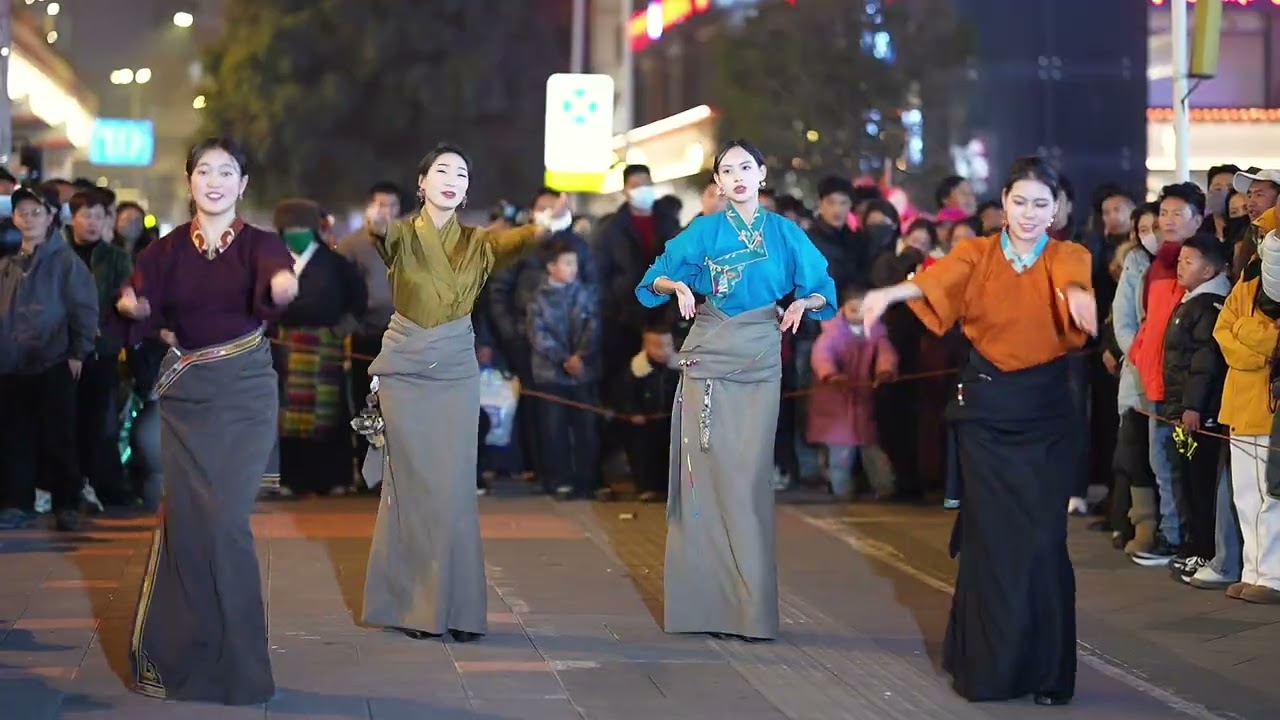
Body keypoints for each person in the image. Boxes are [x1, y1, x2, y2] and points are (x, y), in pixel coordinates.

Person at [861, 156, 1097, 706]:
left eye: (1043, 204)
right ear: (1004, 204)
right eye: (1020, 202)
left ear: (1057, 209)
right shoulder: (977, 253)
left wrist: (1080, 300)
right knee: (990, 544)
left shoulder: (1069, 255)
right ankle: (988, 669)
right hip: (986, 415)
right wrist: (885, 295)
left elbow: (1072, 283)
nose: (1030, 214)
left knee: (1043, 543)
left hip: (1046, 416)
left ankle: (1047, 671)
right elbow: (933, 282)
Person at [358, 143, 570, 643]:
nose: (453, 179)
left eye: (462, 174)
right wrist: (376, 222)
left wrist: (548, 226)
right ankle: (414, 605)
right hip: (407, 374)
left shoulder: (480, 242)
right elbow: (380, 235)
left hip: (455, 371)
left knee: (453, 490)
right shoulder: (403, 236)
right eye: (442, 171)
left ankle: (456, 605)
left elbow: (520, 240)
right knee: (415, 489)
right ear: (422, 183)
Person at [116, 138, 298, 705]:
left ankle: (243, 673)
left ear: (243, 184)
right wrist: (134, 307)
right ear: (189, 180)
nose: (214, 180)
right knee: (191, 528)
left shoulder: (261, 245)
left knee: (226, 525)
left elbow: (278, 277)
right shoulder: (164, 249)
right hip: (186, 399)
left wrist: (283, 287)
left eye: (227, 171)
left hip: (244, 394)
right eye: (203, 170)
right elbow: (137, 296)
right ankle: (184, 663)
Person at [636, 138, 837, 642]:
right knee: (703, 474)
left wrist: (802, 304)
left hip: (759, 357)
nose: (739, 176)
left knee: (747, 481)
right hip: (709, 350)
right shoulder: (704, 231)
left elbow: (822, 288)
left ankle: (749, 611)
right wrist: (678, 286)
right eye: (728, 170)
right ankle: (703, 608)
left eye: (747, 166)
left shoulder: (786, 233)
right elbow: (653, 277)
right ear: (719, 183)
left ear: (762, 174)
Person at [0, 185, 98, 532]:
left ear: (52, 217)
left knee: (60, 437)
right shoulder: (8, 265)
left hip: (54, 359)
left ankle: (66, 504)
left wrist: (77, 352)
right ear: (13, 218)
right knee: (15, 437)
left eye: (36, 212)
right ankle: (17, 503)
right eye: (22, 212)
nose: (28, 219)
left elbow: (84, 310)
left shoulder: (65, 262)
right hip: (12, 364)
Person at [271, 199, 368, 497]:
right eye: (288, 228)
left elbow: (358, 300)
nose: (294, 233)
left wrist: (341, 330)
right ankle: (293, 479)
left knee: (330, 413)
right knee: (290, 416)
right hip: (286, 346)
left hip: (324, 345)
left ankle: (333, 477)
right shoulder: (274, 263)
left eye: (300, 227)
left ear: (313, 229)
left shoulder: (335, 264)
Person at [1160, 234, 1231, 581]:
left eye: (1190, 261)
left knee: (1202, 483)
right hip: (1184, 413)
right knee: (1187, 479)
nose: (1181, 266)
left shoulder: (1209, 306)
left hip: (1200, 417)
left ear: (1210, 269)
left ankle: (1206, 551)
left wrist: (1192, 407)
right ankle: (1195, 546)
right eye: (1180, 260)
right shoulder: (1191, 302)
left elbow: (1206, 363)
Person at [527, 239, 602, 500]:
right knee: (553, 428)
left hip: (582, 370)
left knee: (586, 427)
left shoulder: (585, 293)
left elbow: (593, 326)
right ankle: (558, 479)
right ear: (551, 267)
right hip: (550, 373)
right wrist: (563, 359)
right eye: (567, 263)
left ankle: (586, 480)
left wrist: (580, 356)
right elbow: (538, 336)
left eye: (575, 264)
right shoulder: (538, 299)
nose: (573, 269)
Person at [807, 286, 898, 500]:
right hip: (836, 403)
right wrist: (830, 375)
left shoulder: (876, 332)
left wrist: (885, 370)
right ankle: (842, 491)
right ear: (843, 309)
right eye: (853, 309)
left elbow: (886, 354)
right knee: (841, 453)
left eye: (863, 309)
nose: (859, 314)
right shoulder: (832, 334)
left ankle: (884, 486)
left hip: (862, 401)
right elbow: (822, 356)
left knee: (871, 448)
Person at [614, 323, 680, 503]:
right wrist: (632, 412)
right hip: (643, 424)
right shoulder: (636, 370)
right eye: (657, 346)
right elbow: (625, 395)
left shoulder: (677, 369)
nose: (663, 351)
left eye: (667, 346)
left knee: (670, 453)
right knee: (643, 454)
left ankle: (668, 488)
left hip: (669, 421)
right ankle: (646, 487)